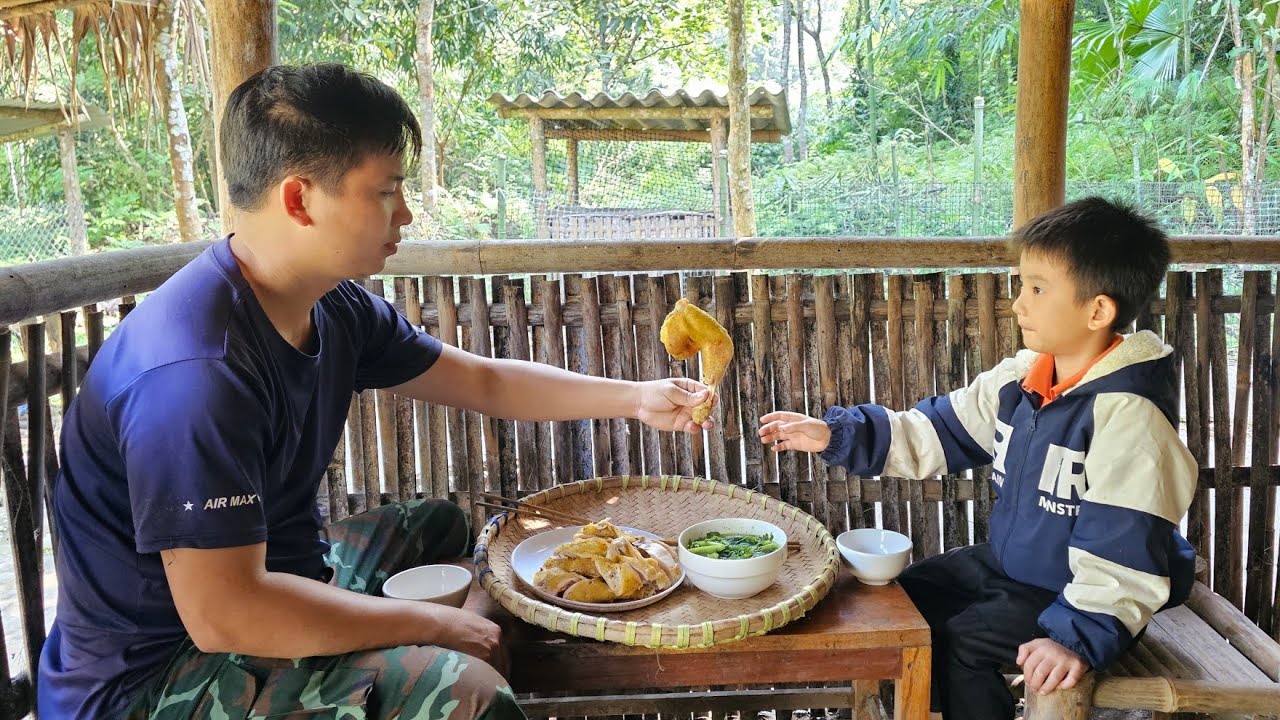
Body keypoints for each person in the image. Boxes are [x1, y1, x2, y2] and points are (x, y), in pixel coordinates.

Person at [38, 63, 714, 720]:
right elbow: (226, 615)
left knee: (439, 528)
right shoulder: (193, 375)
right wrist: (437, 630)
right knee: (466, 690)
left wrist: (635, 397)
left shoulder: (331, 305)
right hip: (158, 677)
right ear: (300, 198)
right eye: (386, 191)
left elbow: (480, 378)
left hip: (276, 581)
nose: (407, 213)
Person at [757, 197, 1197, 720]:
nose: (1019, 303)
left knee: (966, 644)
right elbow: (938, 430)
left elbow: (1124, 550)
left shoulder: (1128, 415)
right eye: (1022, 285)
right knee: (907, 597)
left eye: (1037, 288)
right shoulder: (1024, 377)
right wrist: (832, 434)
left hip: (1084, 597)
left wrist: (1074, 637)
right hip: (1013, 569)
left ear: (1097, 310)